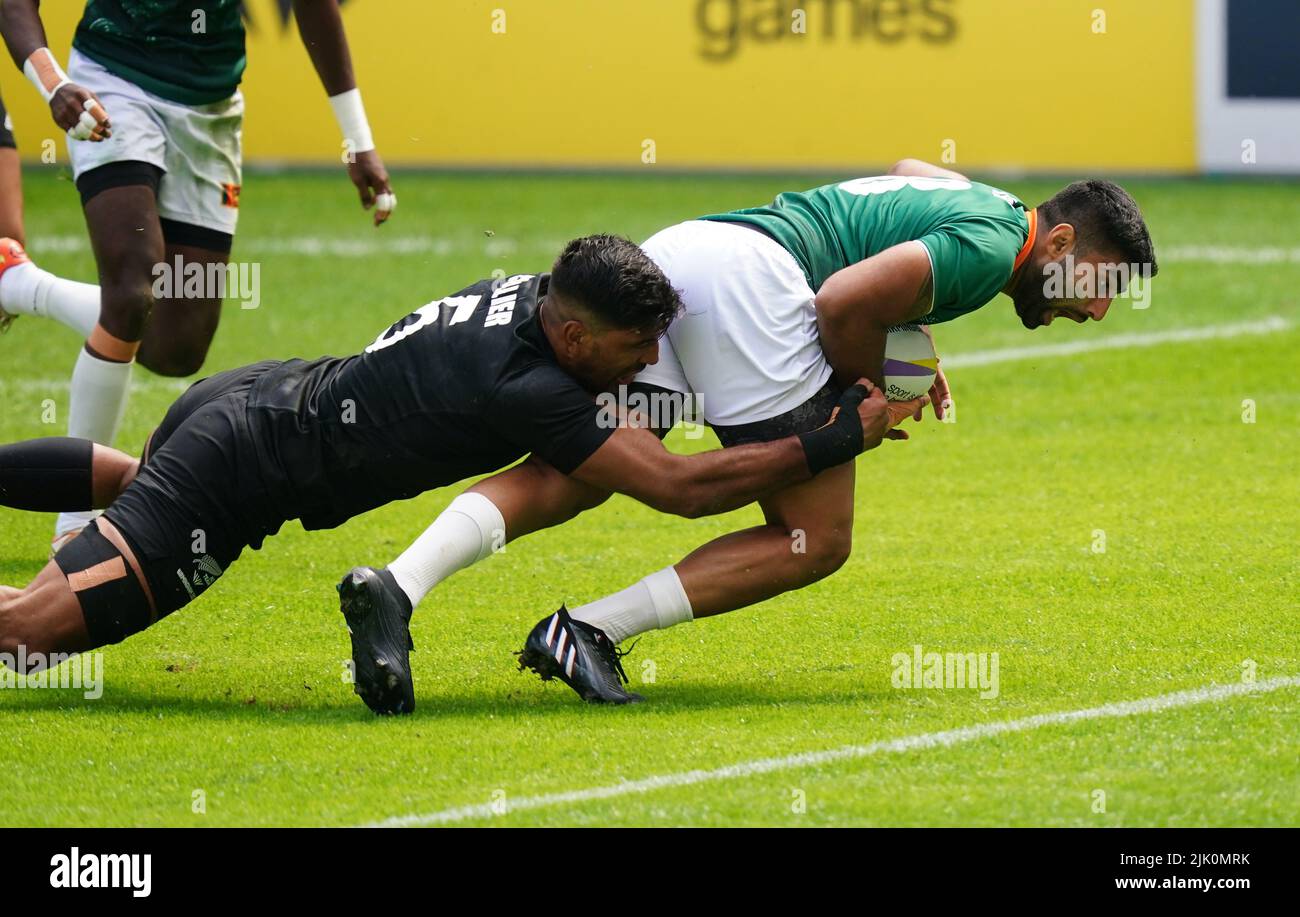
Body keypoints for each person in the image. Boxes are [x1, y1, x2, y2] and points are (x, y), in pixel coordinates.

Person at [0, 235, 921, 717]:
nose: (647, 364)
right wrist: (837, 435)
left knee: (130, 496)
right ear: (573, 337)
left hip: (245, 403)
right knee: (30, 638)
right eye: (634, 347)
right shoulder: (529, 386)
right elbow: (682, 489)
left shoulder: (540, 293)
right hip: (238, 463)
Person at [352, 159, 1158, 707]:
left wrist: (908, 342)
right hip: (753, 295)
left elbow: (913, 173)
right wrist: (863, 395)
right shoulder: (990, 252)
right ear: (1060, 243)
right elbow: (844, 301)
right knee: (817, 534)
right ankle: (592, 629)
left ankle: (399, 582)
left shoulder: (990, 205)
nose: (1094, 310)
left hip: (692, 254)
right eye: (1099, 284)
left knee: (588, 465)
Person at [0, 0, 395, 552]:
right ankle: (76, 524)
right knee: (133, 291)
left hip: (210, 107)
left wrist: (357, 138)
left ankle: (18, 284)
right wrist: (52, 82)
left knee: (175, 348)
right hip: (112, 80)